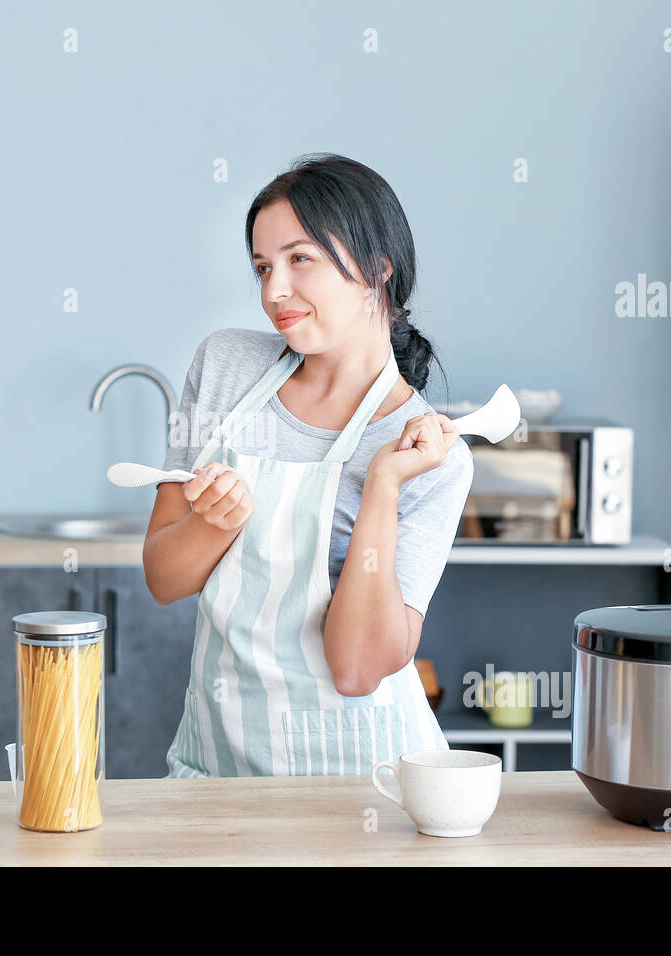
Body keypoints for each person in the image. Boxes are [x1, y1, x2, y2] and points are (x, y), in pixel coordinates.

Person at [143, 153, 474, 777]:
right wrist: (212, 524)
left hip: (363, 779)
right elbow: (164, 579)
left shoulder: (430, 457)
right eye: (263, 267)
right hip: (218, 764)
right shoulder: (224, 367)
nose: (274, 292)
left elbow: (355, 669)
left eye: (301, 260)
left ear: (377, 267)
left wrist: (382, 486)